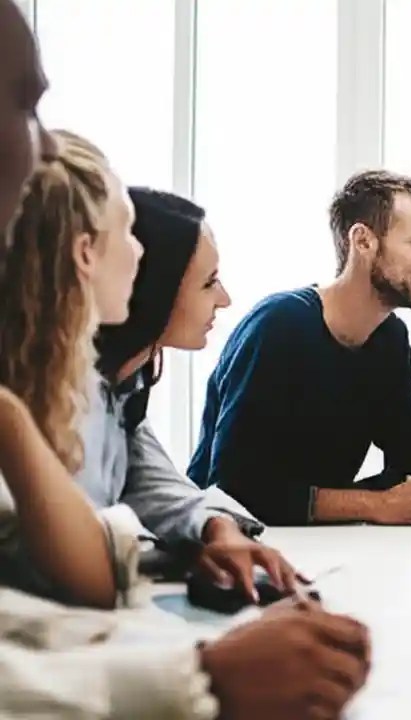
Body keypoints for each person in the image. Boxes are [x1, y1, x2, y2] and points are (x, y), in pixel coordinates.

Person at [0, 7, 371, 714]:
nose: (44, 148)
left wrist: (209, 529)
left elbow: (151, 497)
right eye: (23, 104)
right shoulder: (43, 390)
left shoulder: (112, 387)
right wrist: (191, 674)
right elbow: (72, 573)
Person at [58, 185, 298, 600]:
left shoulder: (125, 386)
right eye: (210, 283)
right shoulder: (60, 393)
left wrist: (216, 528)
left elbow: (158, 486)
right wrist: (174, 555)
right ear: (154, 288)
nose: (224, 299)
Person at [187, 170, 411, 526]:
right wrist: (374, 504)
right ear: (363, 241)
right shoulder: (279, 325)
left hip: (321, 544)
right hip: (225, 543)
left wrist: (381, 501)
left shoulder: (390, 338)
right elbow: (233, 489)